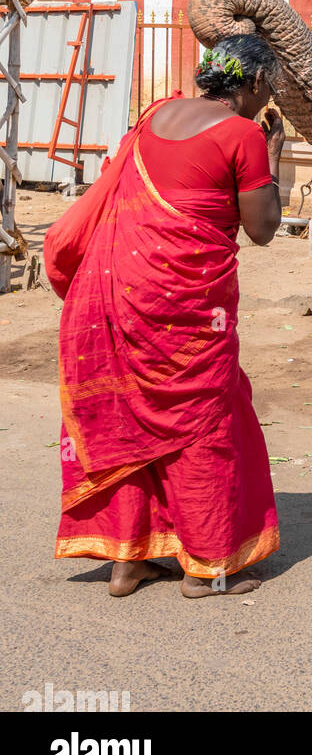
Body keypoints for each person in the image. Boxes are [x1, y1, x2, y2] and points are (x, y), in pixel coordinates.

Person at [46, 35, 286, 598]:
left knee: (136, 413)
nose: (268, 96)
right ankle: (207, 567)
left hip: (119, 290)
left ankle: (130, 561)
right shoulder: (243, 134)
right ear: (251, 83)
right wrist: (272, 155)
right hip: (185, 304)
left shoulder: (155, 113)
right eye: (269, 85)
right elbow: (264, 228)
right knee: (204, 417)